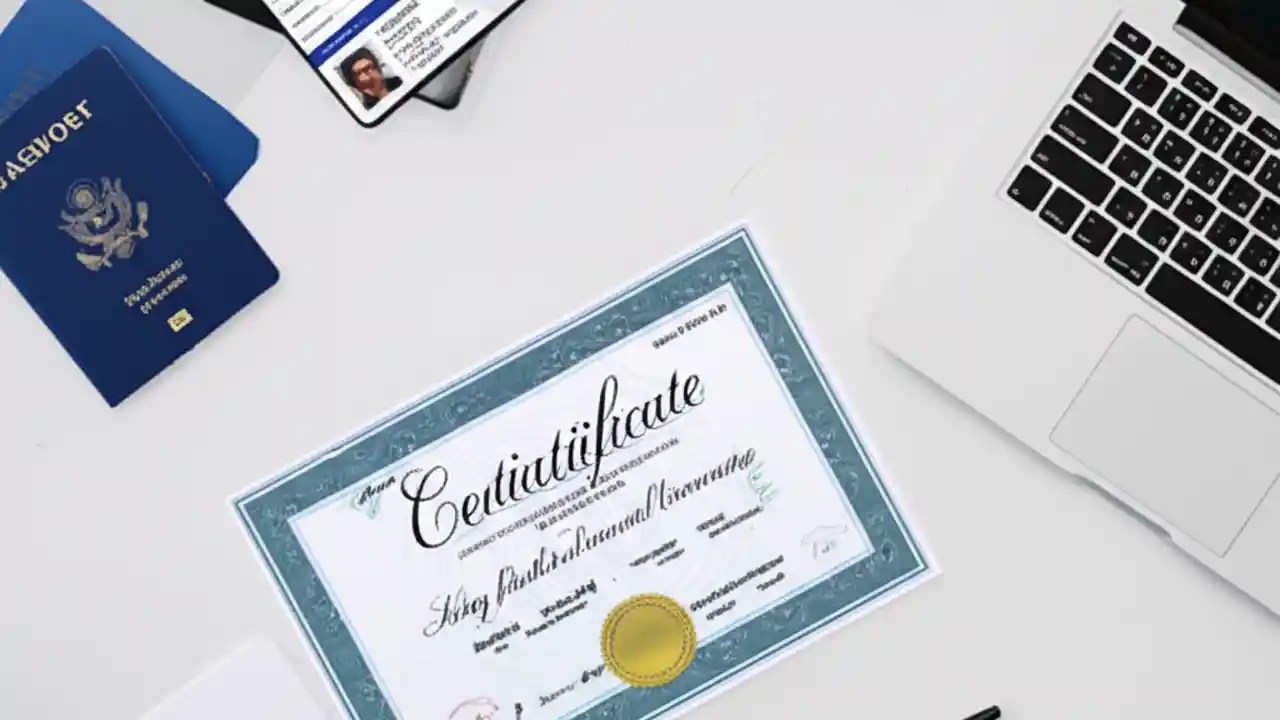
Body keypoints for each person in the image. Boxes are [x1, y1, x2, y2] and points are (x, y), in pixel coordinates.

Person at [339, 48, 404, 110]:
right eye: (359, 72)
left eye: (369, 67)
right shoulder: (369, 109)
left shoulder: (399, 82)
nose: (369, 73)